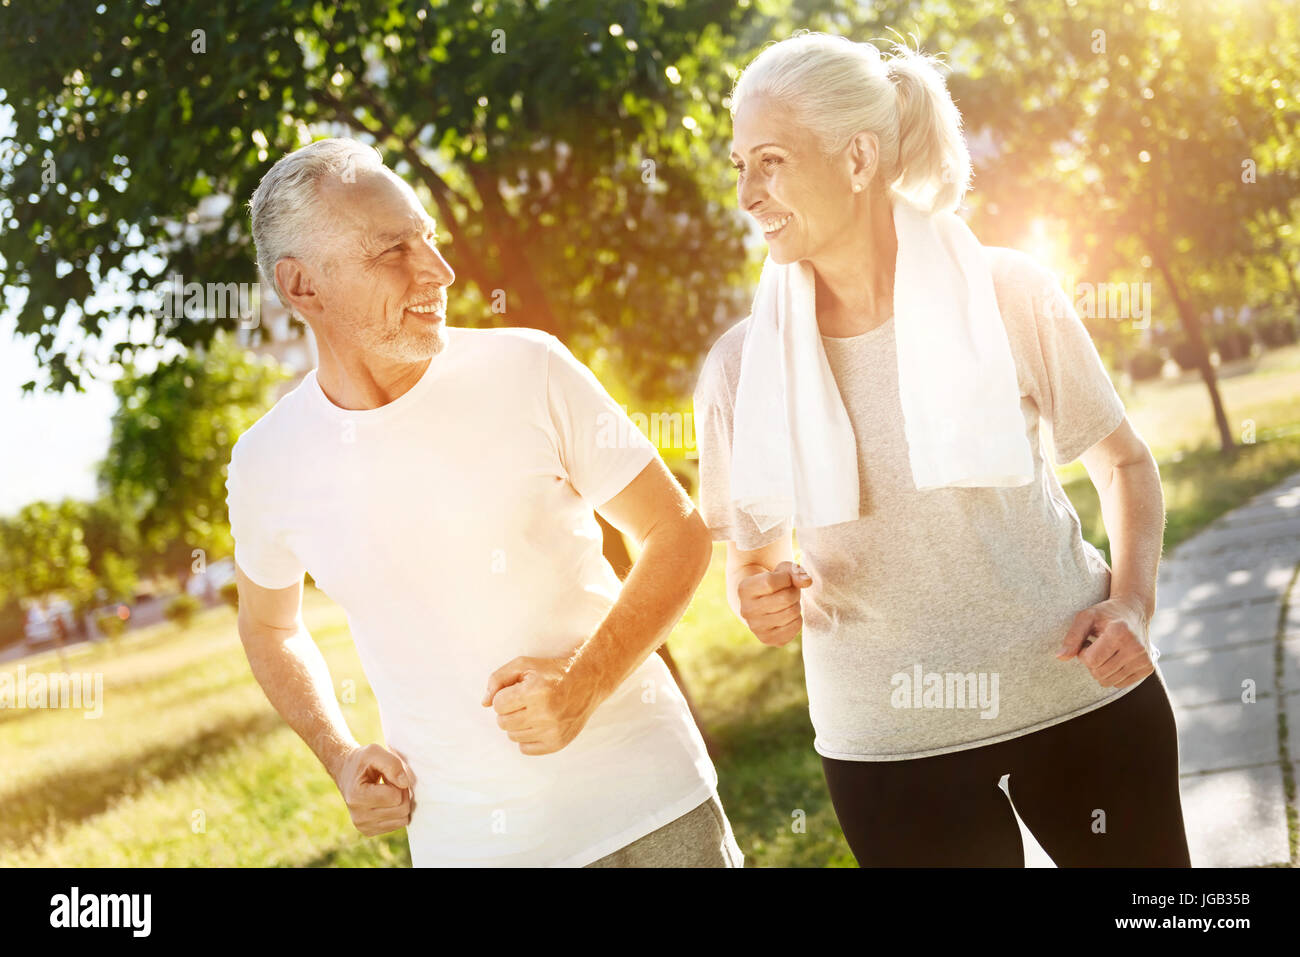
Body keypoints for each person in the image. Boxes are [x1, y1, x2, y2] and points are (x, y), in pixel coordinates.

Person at [694, 32, 1190, 866]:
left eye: (770, 161)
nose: (747, 192)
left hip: (1081, 699)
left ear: (857, 158)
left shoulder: (1009, 292)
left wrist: (1134, 602)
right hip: (890, 752)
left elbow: (1125, 464)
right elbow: (751, 565)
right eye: (739, 163)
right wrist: (757, 596)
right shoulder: (741, 367)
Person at [230, 137, 741, 867]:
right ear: (302, 287)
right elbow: (271, 627)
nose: (438, 271)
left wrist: (584, 681)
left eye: (428, 240)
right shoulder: (266, 464)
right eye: (392, 252)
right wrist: (340, 756)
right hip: (471, 845)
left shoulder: (528, 365)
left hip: (649, 808)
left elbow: (676, 531)